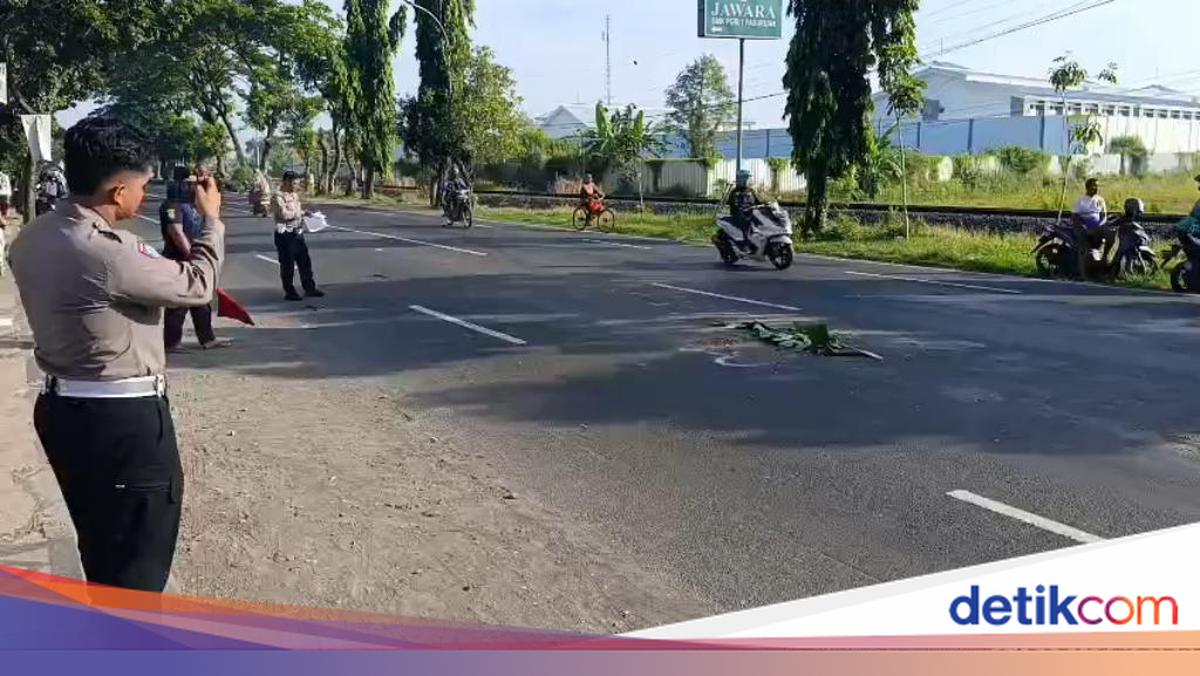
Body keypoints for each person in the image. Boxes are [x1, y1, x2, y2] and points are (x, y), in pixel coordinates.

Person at [8, 115, 225, 592]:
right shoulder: (108, 252)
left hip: (63, 411)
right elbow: (198, 285)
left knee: (102, 548)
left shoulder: (31, 238)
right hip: (121, 423)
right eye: (142, 187)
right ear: (118, 191)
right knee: (136, 566)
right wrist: (211, 219)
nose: (144, 196)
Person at [161, 166, 226, 351]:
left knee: (201, 301)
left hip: (194, 258)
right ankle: (171, 343)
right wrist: (192, 256)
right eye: (189, 183)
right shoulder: (171, 206)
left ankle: (207, 339)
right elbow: (176, 232)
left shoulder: (191, 205)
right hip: (179, 259)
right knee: (179, 304)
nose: (192, 187)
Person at [272, 170, 324, 301]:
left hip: (297, 232)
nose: (297, 186)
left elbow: (297, 211)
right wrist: (300, 214)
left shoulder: (294, 195)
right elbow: (284, 214)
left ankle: (309, 288)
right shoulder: (278, 196)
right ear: (286, 182)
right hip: (284, 234)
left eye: (297, 183)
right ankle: (289, 291)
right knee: (288, 264)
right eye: (294, 183)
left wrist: (306, 213)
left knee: (304, 261)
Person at [1069, 178, 1110, 278]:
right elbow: (1075, 217)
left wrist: (1099, 226)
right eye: (1094, 185)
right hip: (1082, 227)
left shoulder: (1100, 200)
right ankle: (1083, 274)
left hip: (1096, 227)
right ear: (1087, 187)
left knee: (1111, 236)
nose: (1096, 188)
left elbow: (1104, 217)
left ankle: (1104, 262)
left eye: (1097, 186)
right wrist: (1085, 227)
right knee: (1084, 247)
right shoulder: (1081, 200)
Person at [726, 169, 763, 248]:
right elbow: (733, 205)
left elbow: (758, 201)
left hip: (750, 213)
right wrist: (742, 209)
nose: (747, 181)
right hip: (738, 214)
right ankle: (745, 243)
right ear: (740, 179)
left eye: (748, 178)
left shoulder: (751, 191)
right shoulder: (735, 192)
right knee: (746, 223)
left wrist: (765, 205)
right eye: (745, 178)